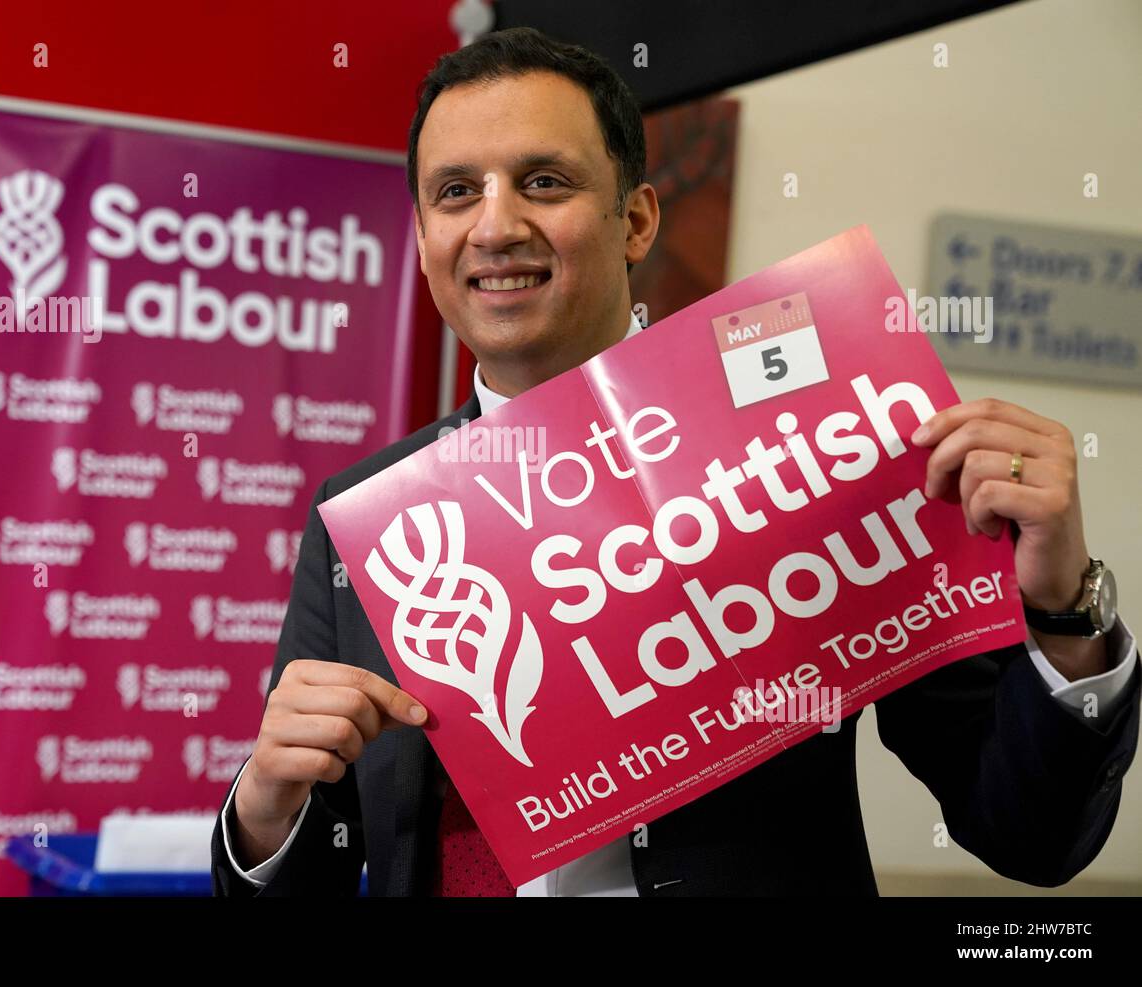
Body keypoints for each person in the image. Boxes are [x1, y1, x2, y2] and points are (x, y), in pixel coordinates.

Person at [211, 26, 1139, 896]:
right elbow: (312, 873)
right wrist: (265, 805)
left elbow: (1030, 836)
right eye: (456, 192)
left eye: (543, 182)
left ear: (638, 221)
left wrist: (1065, 611)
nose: (494, 228)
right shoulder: (365, 518)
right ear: (423, 240)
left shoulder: (813, 449)